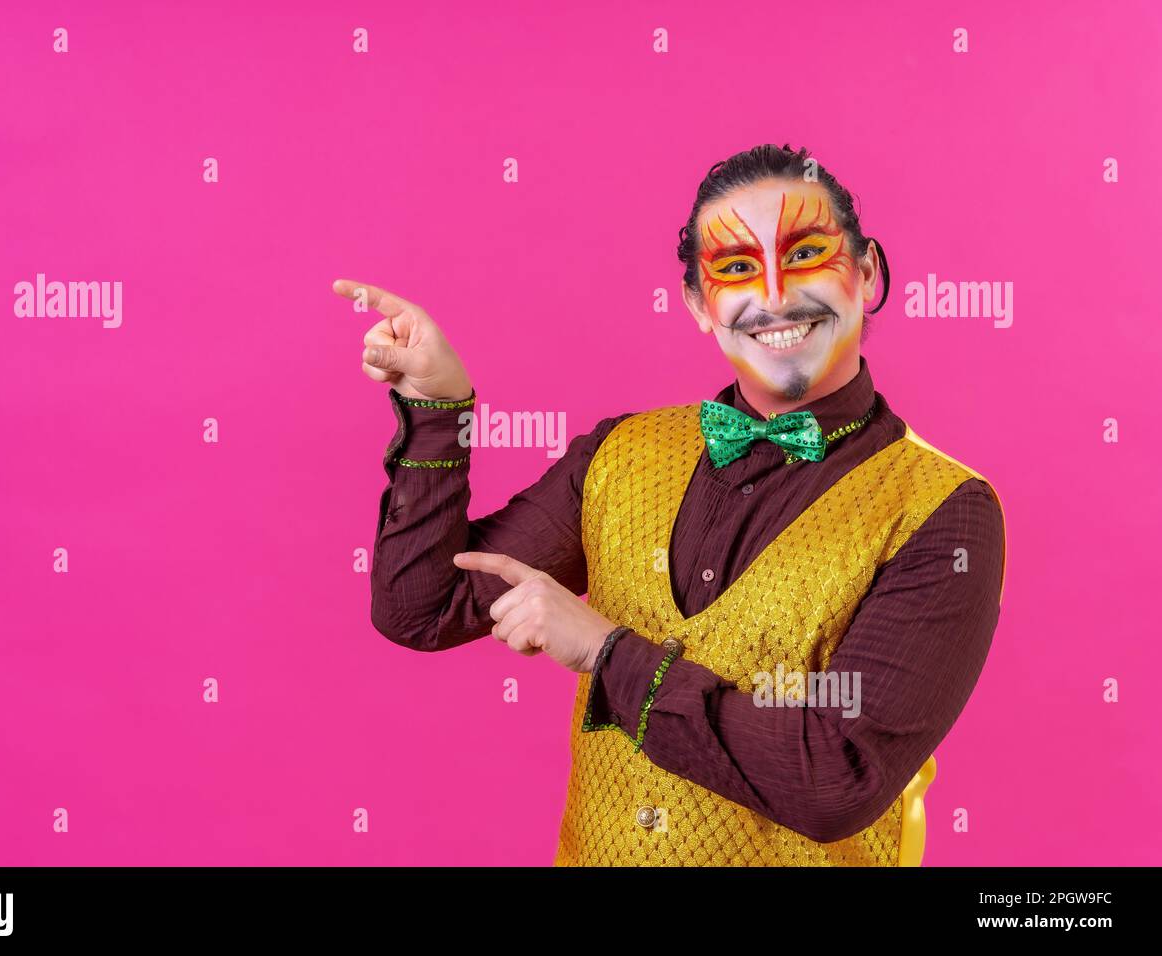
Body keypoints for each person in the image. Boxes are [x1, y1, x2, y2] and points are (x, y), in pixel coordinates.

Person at [332, 143, 1006, 867]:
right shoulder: (619, 453)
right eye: (738, 268)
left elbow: (836, 781)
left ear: (866, 271)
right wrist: (438, 409)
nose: (775, 297)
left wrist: (607, 652)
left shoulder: (946, 510)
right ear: (697, 305)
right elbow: (420, 608)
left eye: (807, 254)